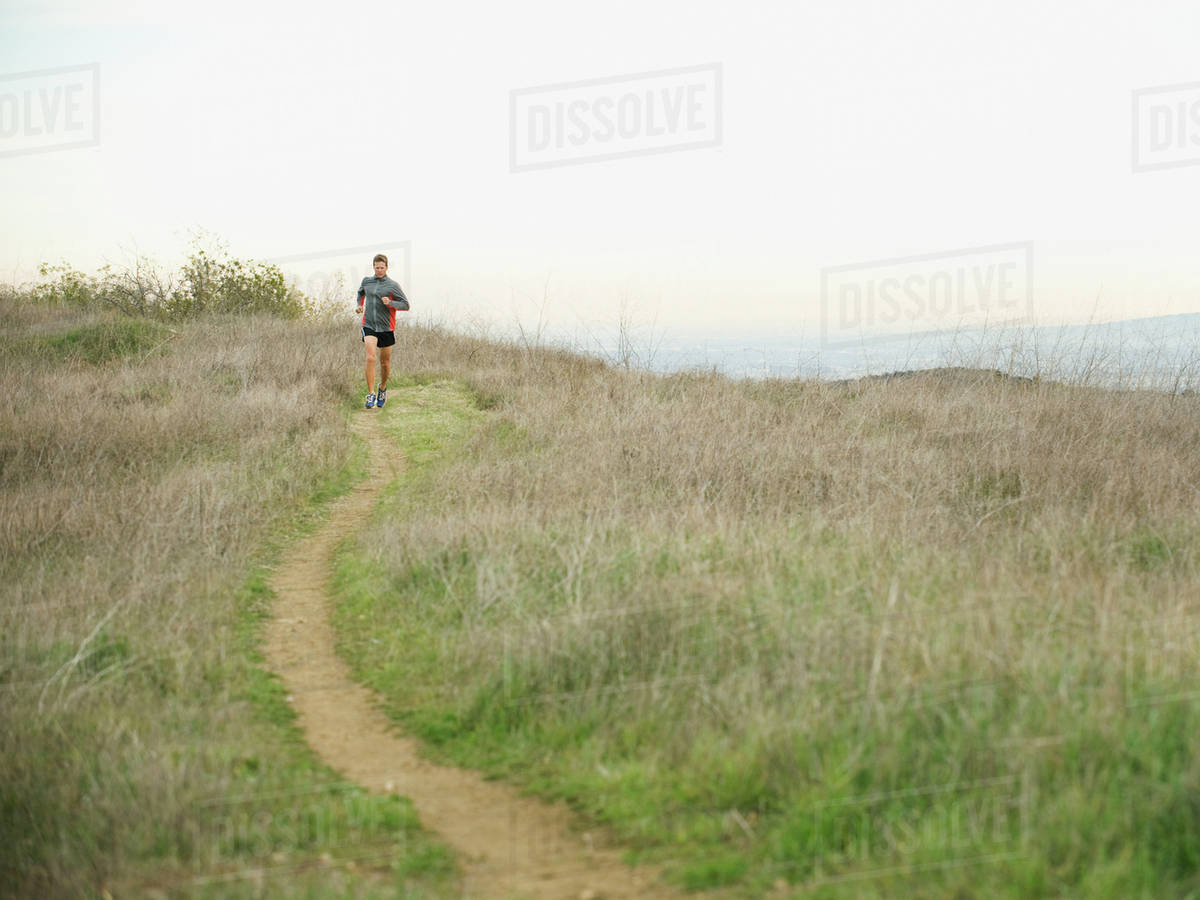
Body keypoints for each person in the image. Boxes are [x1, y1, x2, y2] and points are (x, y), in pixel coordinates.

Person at [355, 254, 409, 408]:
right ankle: (371, 394)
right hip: (369, 324)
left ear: (387, 268)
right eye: (377, 267)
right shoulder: (367, 281)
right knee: (370, 358)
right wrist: (360, 305)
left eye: (382, 267)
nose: (379, 270)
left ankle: (382, 388)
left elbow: (405, 305)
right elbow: (360, 293)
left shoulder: (392, 285)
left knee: (385, 363)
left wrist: (390, 302)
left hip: (386, 327)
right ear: (373, 267)